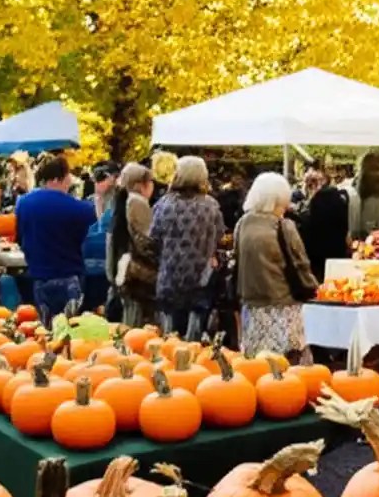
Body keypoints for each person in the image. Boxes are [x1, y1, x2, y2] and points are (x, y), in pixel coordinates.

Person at [233, 172, 318, 362]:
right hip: (282, 307)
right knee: (289, 365)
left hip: (251, 307)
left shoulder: (242, 224)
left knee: (257, 364)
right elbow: (301, 265)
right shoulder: (284, 227)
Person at [14, 154, 95, 325]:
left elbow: (20, 238)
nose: (69, 184)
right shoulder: (78, 207)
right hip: (70, 275)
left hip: (39, 276)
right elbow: (91, 235)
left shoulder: (23, 203)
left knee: (45, 329)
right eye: (67, 179)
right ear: (58, 178)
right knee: (71, 330)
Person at [149, 155, 225, 339]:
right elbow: (219, 236)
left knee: (169, 339)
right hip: (200, 281)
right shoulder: (210, 206)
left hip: (169, 280)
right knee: (195, 341)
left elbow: (153, 238)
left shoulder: (163, 205)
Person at [108, 163, 158, 327]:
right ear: (140, 184)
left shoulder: (121, 201)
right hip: (136, 272)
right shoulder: (137, 203)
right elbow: (145, 239)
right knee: (136, 323)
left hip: (124, 270)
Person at [81, 164, 118, 314]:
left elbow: (104, 231)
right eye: (95, 179)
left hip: (105, 268)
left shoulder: (119, 204)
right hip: (91, 268)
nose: (97, 183)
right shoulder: (89, 203)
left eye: (101, 178)